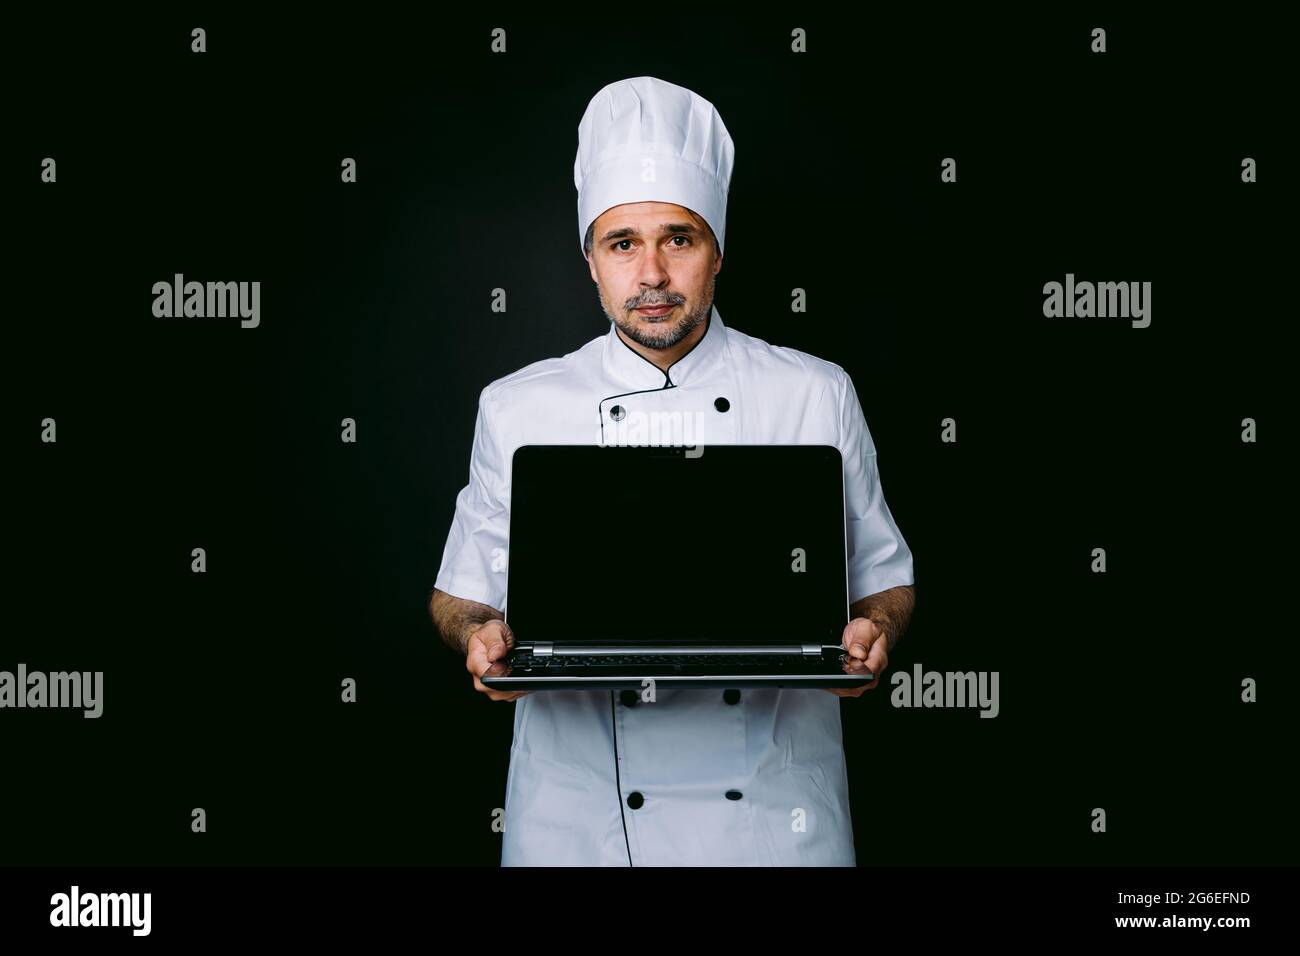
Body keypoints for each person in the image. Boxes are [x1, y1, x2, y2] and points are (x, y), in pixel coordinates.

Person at [429, 76, 915, 866]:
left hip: (770, 824)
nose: (651, 274)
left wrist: (875, 631)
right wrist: (478, 636)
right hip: (576, 827)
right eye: (623, 243)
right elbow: (460, 591)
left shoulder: (814, 392)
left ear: (717, 250)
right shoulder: (516, 407)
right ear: (590, 259)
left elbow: (885, 578)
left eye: (677, 239)